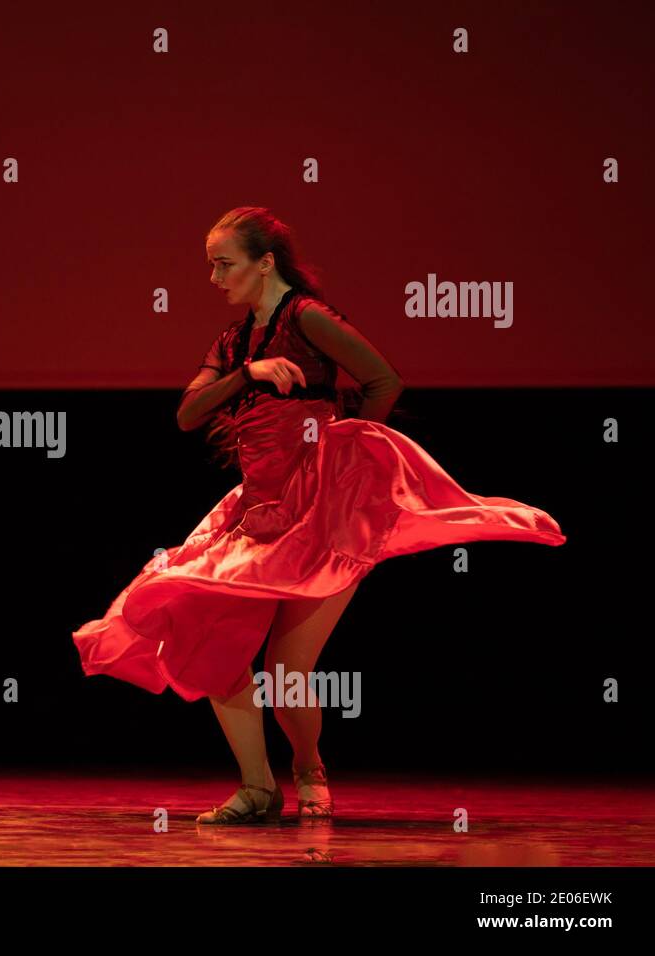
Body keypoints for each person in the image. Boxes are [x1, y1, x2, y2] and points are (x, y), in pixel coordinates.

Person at [71, 206, 566, 824]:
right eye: (211, 266)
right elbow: (187, 413)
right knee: (210, 644)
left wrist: (347, 467)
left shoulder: (307, 318)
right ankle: (258, 788)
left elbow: (384, 380)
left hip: (321, 517)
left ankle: (309, 769)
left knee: (285, 669)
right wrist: (247, 373)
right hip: (255, 513)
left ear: (265, 263)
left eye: (225, 264)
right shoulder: (233, 341)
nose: (215, 277)